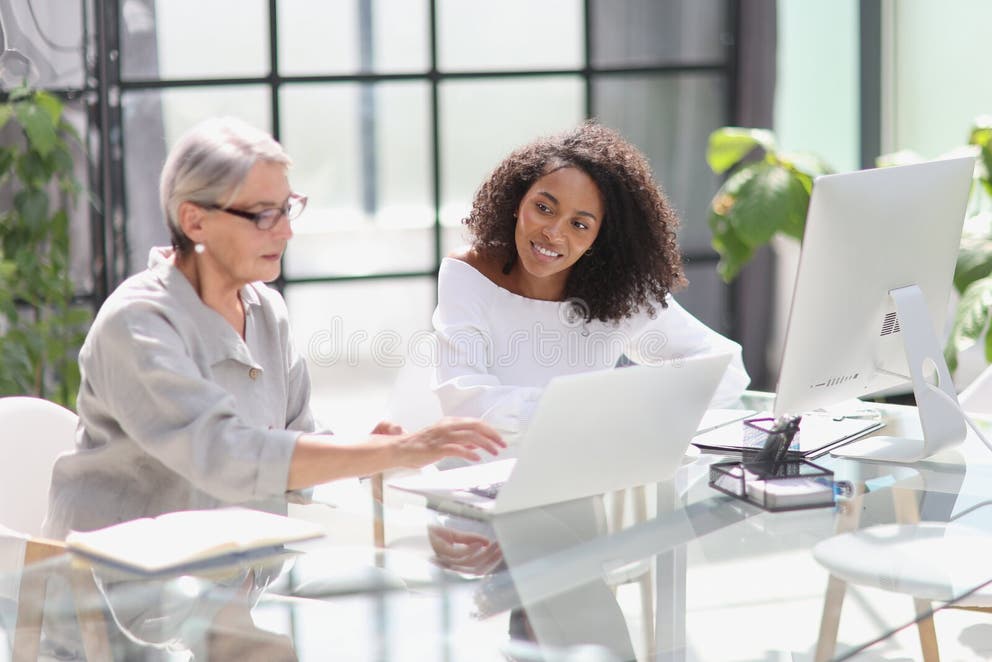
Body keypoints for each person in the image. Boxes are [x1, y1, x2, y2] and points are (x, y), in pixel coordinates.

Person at [43, 117, 503, 540]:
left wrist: (371, 451)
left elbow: (296, 435)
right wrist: (397, 451)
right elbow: (226, 456)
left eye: (287, 210)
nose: (285, 233)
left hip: (232, 578)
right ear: (194, 220)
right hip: (114, 592)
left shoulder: (265, 309)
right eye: (263, 215)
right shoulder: (137, 322)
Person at [433, 122, 750, 438]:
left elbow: (727, 370)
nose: (554, 233)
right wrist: (597, 409)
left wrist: (622, 408)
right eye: (543, 208)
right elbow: (467, 404)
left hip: (586, 472)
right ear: (518, 201)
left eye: (580, 225)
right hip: (485, 474)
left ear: (600, 237)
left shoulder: (616, 289)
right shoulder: (470, 273)